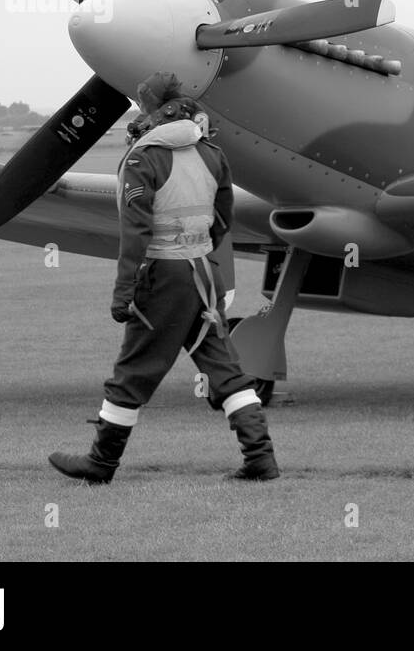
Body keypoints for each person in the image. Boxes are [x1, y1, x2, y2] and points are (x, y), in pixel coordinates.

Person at [49, 71, 280, 483]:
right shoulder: (212, 154)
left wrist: (124, 292)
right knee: (224, 368)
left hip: (165, 274)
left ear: (153, 112)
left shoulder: (143, 158)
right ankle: (260, 457)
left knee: (133, 371)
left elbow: (135, 234)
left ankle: (100, 463)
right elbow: (224, 219)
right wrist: (198, 248)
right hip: (203, 270)